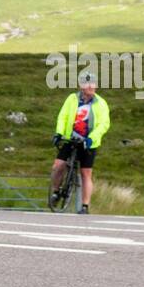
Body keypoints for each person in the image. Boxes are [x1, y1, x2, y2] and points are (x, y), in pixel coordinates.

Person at [51, 72, 111, 214]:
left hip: (88, 142)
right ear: (81, 86)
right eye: (87, 83)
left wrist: (91, 138)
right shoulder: (72, 99)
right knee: (58, 166)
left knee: (86, 173)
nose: (90, 86)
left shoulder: (101, 103)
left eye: (93, 83)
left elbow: (104, 124)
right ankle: (56, 191)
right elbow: (63, 116)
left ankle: (85, 206)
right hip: (70, 138)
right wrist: (59, 133)